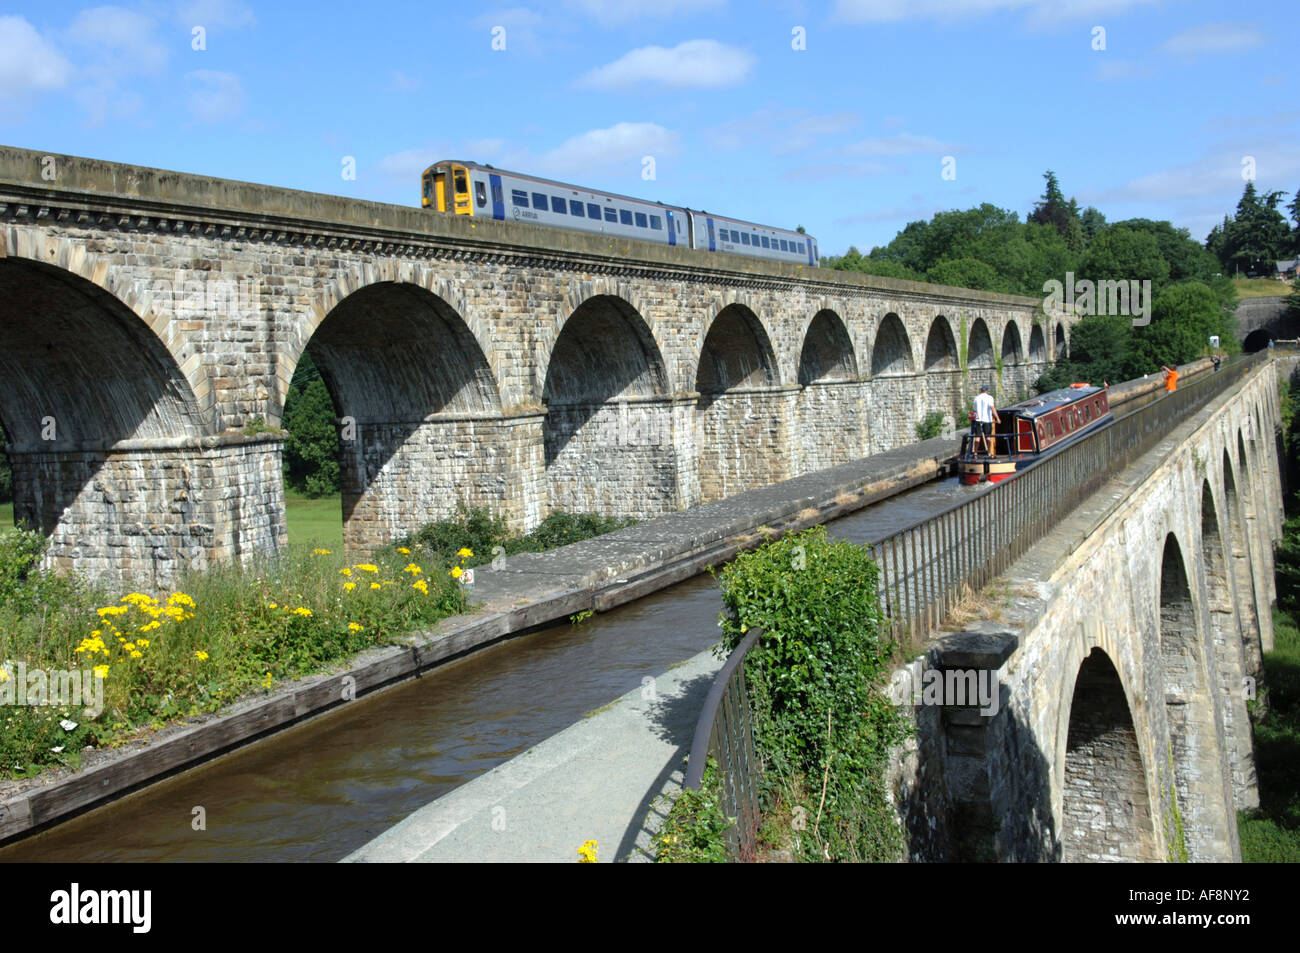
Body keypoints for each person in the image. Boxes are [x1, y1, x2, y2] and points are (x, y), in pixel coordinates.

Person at [973, 384, 1000, 457]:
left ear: (981, 391)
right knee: (988, 437)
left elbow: (975, 410)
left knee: (977, 437)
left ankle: (975, 453)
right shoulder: (989, 398)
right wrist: (997, 418)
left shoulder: (976, 398)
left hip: (978, 420)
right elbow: (992, 408)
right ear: (987, 391)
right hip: (987, 420)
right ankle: (988, 452)